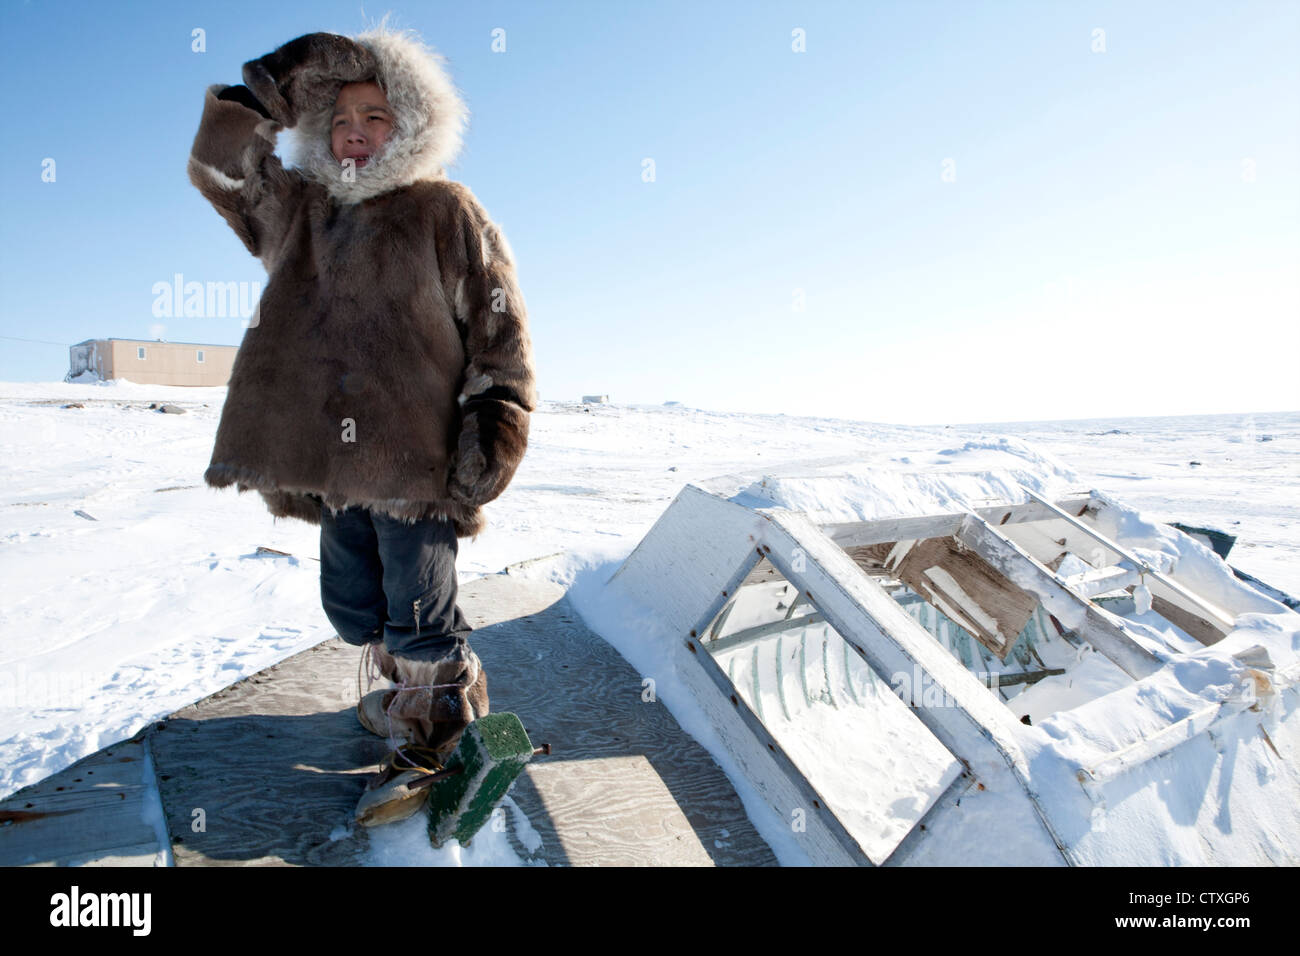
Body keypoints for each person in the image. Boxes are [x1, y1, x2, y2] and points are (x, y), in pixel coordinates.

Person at [187, 26, 537, 825]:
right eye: (342, 114)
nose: (356, 129)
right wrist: (262, 96)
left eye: (377, 115)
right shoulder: (300, 212)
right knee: (354, 610)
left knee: (418, 616)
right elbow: (222, 175)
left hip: (421, 466)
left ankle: (436, 737)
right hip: (333, 464)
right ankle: (417, 689)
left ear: (411, 124)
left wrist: (496, 420)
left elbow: (498, 326)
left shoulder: (445, 210)